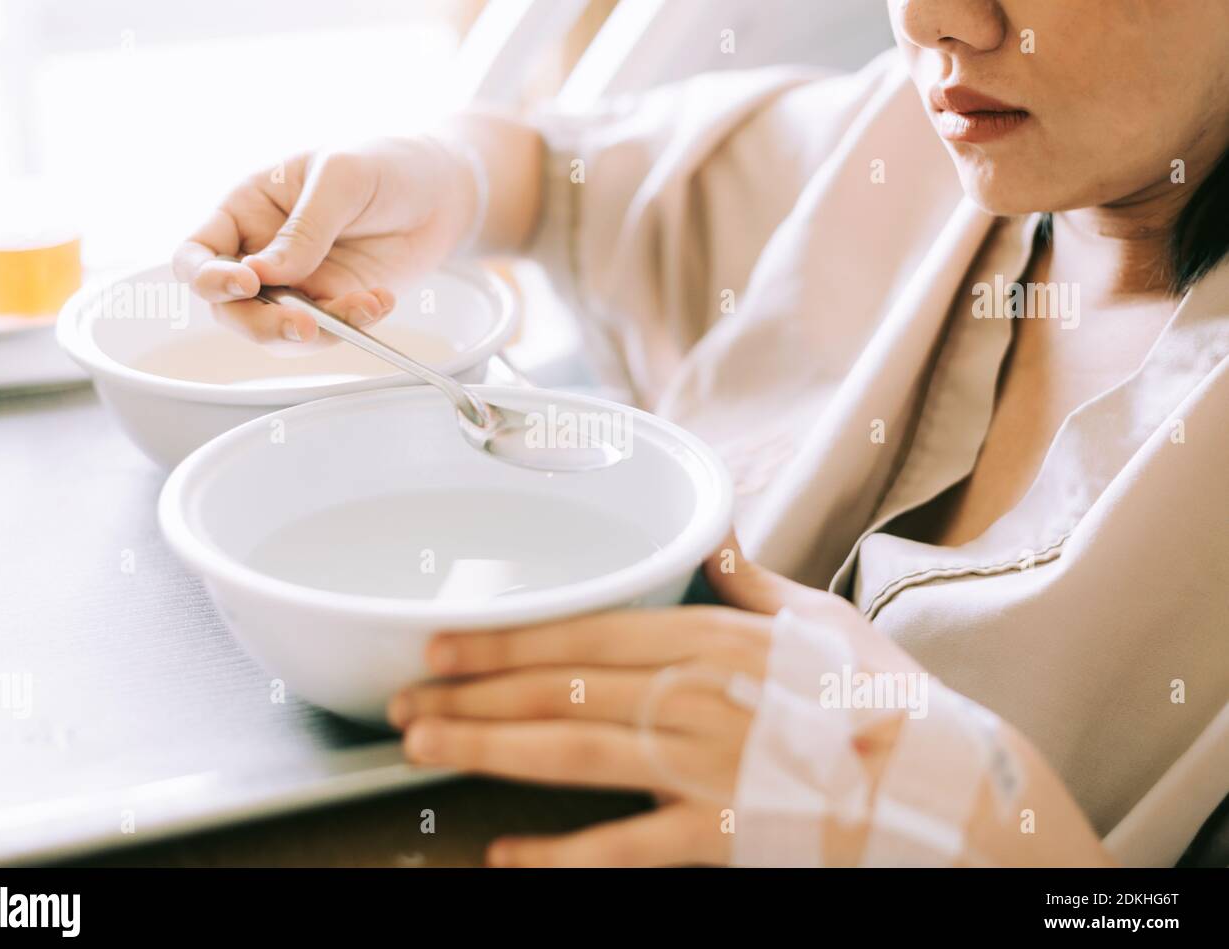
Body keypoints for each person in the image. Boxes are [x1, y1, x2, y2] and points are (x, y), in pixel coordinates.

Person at [172, 0, 1229, 866]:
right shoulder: (921, 141)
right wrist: (441, 178)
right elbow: (567, 172)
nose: (930, 19)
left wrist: (998, 842)